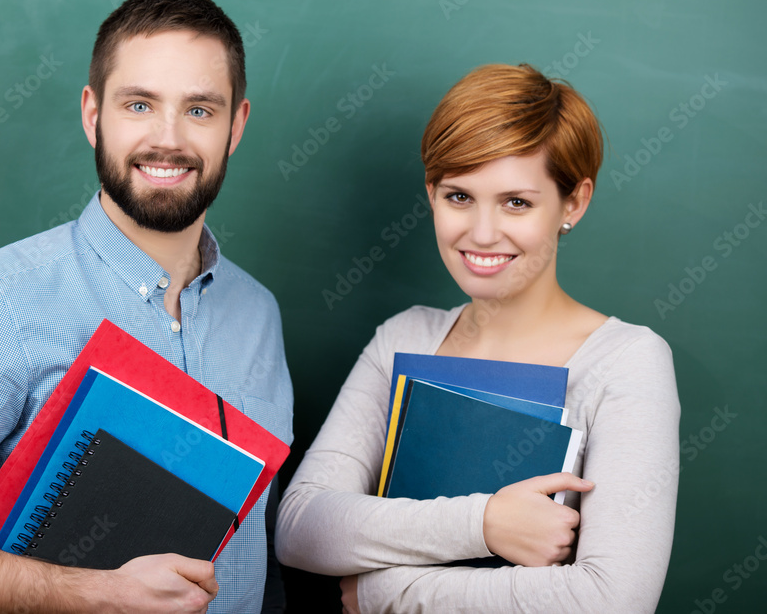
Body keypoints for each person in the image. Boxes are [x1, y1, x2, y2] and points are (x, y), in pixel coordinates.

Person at [0, 0, 293, 614]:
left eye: (200, 110)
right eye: (139, 104)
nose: (169, 138)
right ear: (93, 114)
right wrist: (96, 594)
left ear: (236, 126)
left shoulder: (258, 314)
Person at [275, 64, 679, 613]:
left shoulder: (626, 362)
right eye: (459, 197)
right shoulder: (404, 337)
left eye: (517, 202)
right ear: (431, 193)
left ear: (574, 203)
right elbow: (302, 528)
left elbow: (613, 599)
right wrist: (484, 523)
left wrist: (385, 591)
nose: (482, 233)